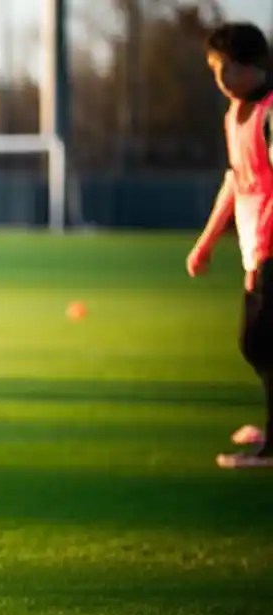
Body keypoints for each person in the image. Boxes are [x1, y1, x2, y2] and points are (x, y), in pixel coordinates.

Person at [188, 22, 273, 469]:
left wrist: (265, 247)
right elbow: (236, 182)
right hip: (255, 248)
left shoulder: (270, 113)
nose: (218, 78)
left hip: (269, 247)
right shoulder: (233, 115)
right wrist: (206, 243)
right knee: (255, 344)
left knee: (263, 341)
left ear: (250, 66)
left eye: (224, 68)